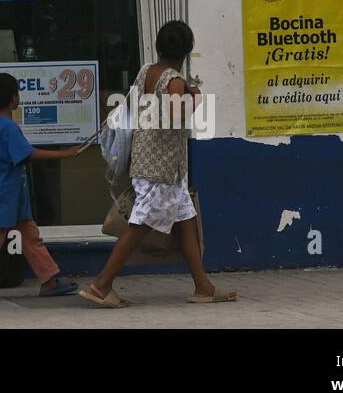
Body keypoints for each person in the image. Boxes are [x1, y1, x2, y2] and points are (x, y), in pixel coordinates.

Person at [79, 20, 235, 308]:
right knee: (140, 225)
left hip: (154, 163)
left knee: (186, 222)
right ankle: (101, 285)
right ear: (187, 50)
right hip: (159, 169)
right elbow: (176, 116)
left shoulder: (146, 72)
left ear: (159, 47)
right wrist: (195, 98)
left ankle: (203, 287)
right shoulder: (175, 81)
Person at [0, 72, 82, 301]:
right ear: (13, 99)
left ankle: (49, 281)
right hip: (4, 195)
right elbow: (27, 154)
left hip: (12, 197)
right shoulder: (8, 128)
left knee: (30, 237)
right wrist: (64, 153)